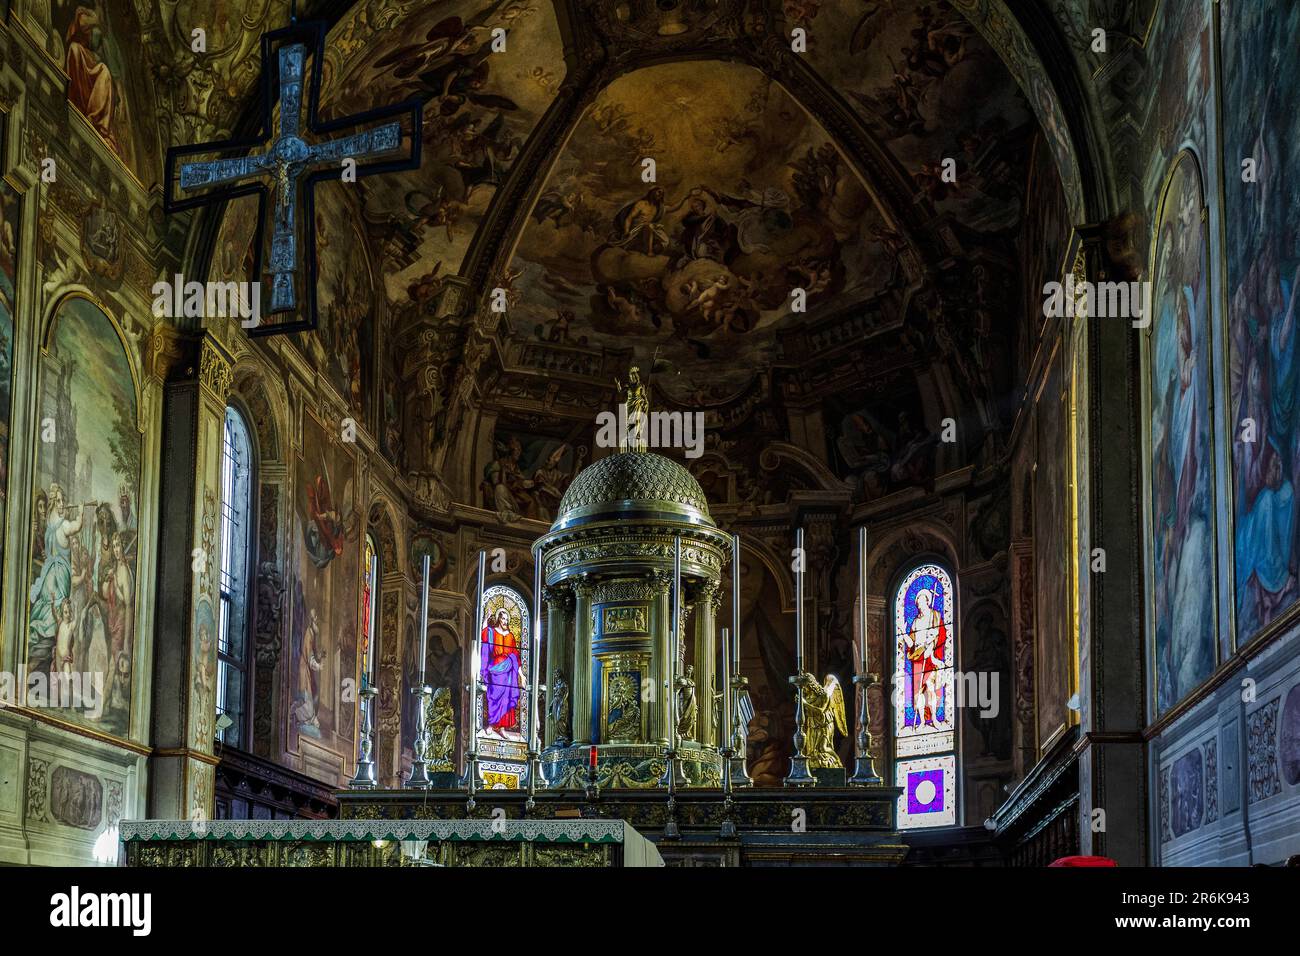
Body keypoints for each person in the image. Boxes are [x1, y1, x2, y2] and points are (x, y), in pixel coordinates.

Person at [480, 607, 522, 737]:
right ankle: (492, 725)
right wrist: (485, 620)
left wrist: (521, 674)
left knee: (506, 698)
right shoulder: (491, 632)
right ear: (499, 619)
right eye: (503, 619)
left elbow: (515, 654)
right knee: (494, 696)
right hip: (495, 668)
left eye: (507, 619)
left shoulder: (510, 636)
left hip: (509, 670)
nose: (505, 621)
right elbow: (483, 634)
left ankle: (502, 727)